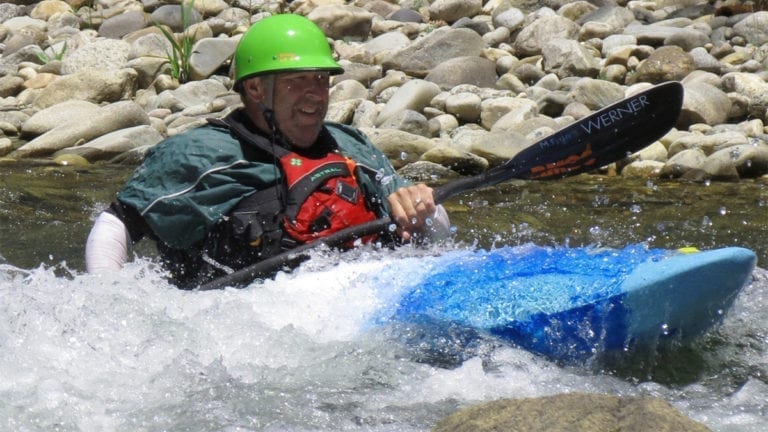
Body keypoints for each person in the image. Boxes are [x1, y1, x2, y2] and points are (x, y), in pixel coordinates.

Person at [85, 13, 450, 288]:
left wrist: (424, 210)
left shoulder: (352, 145)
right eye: (297, 81)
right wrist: (109, 301)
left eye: (321, 80)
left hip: (367, 295)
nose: (315, 93)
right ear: (257, 89)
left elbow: (434, 231)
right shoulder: (200, 153)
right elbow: (118, 223)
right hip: (255, 318)